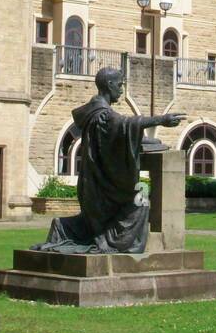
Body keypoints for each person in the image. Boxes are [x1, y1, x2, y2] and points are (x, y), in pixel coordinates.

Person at [32, 67, 183, 254]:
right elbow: (125, 124)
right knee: (140, 202)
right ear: (109, 85)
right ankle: (111, 242)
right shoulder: (102, 113)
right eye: (119, 85)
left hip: (94, 186)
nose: (121, 90)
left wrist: (146, 140)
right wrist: (161, 120)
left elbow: (117, 136)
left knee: (139, 197)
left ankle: (70, 228)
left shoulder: (96, 112)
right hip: (101, 192)